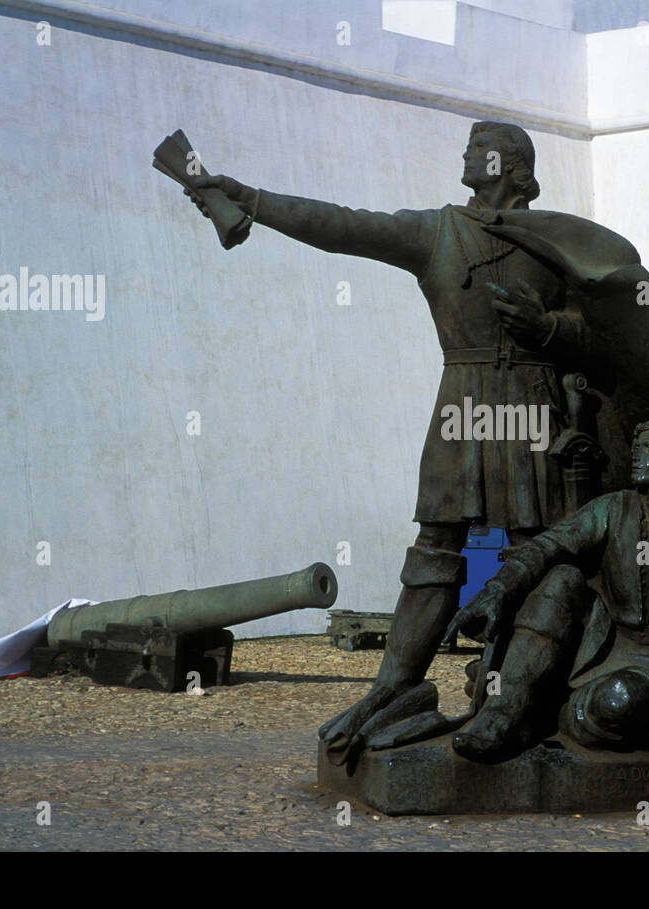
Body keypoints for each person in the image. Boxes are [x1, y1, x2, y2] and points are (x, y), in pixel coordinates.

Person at [184, 123, 612, 758]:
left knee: (539, 550)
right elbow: (343, 227)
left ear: (508, 165)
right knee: (437, 545)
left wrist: (549, 327)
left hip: (534, 402)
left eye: (476, 149)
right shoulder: (438, 231)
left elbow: (605, 328)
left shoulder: (556, 237)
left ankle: (515, 700)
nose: (464, 157)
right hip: (461, 402)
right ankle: (396, 686)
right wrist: (251, 198)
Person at [443, 312, 649, 761]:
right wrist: (498, 589)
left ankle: (546, 709)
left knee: (617, 703)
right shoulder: (613, 508)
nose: (638, 458)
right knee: (560, 576)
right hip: (599, 646)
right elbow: (548, 545)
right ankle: (506, 709)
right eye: (637, 450)